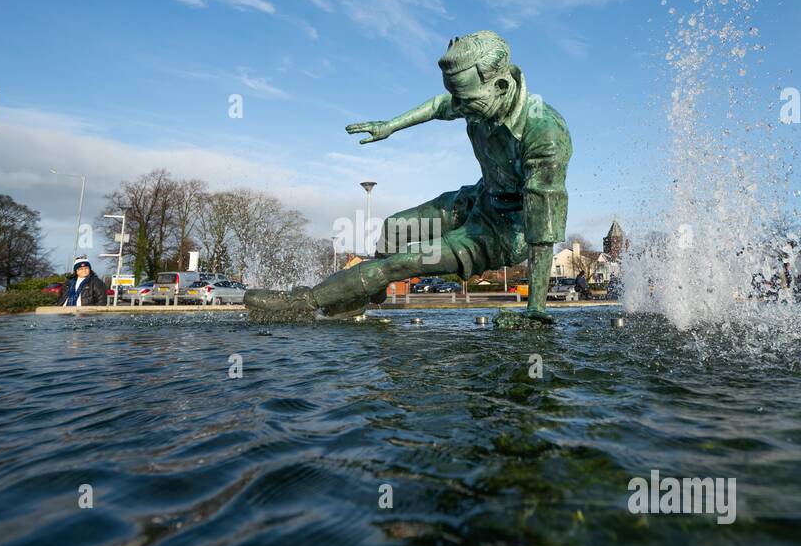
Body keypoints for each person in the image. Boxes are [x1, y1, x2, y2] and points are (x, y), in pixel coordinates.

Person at [245, 31, 572, 325]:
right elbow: (438, 105)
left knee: (395, 265)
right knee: (393, 229)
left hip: (503, 231)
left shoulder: (545, 133)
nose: (458, 108)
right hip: (479, 198)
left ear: (501, 86)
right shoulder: (477, 97)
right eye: (456, 98)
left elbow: (542, 230)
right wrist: (390, 125)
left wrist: (535, 312)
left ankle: (303, 303)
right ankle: (362, 295)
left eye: (465, 101)